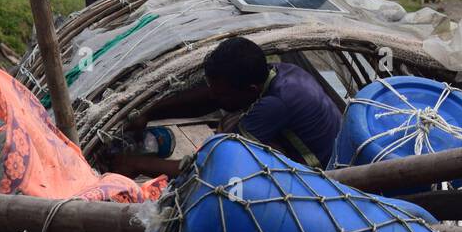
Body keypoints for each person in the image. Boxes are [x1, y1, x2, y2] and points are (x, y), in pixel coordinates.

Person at [124, 36, 341, 169]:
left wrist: (138, 164)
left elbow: (211, 163)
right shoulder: (281, 72)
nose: (216, 99)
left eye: (222, 95)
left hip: (323, 174)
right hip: (319, 149)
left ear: (250, 90)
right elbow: (211, 97)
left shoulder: (275, 104)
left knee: (228, 148)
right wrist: (149, 111)